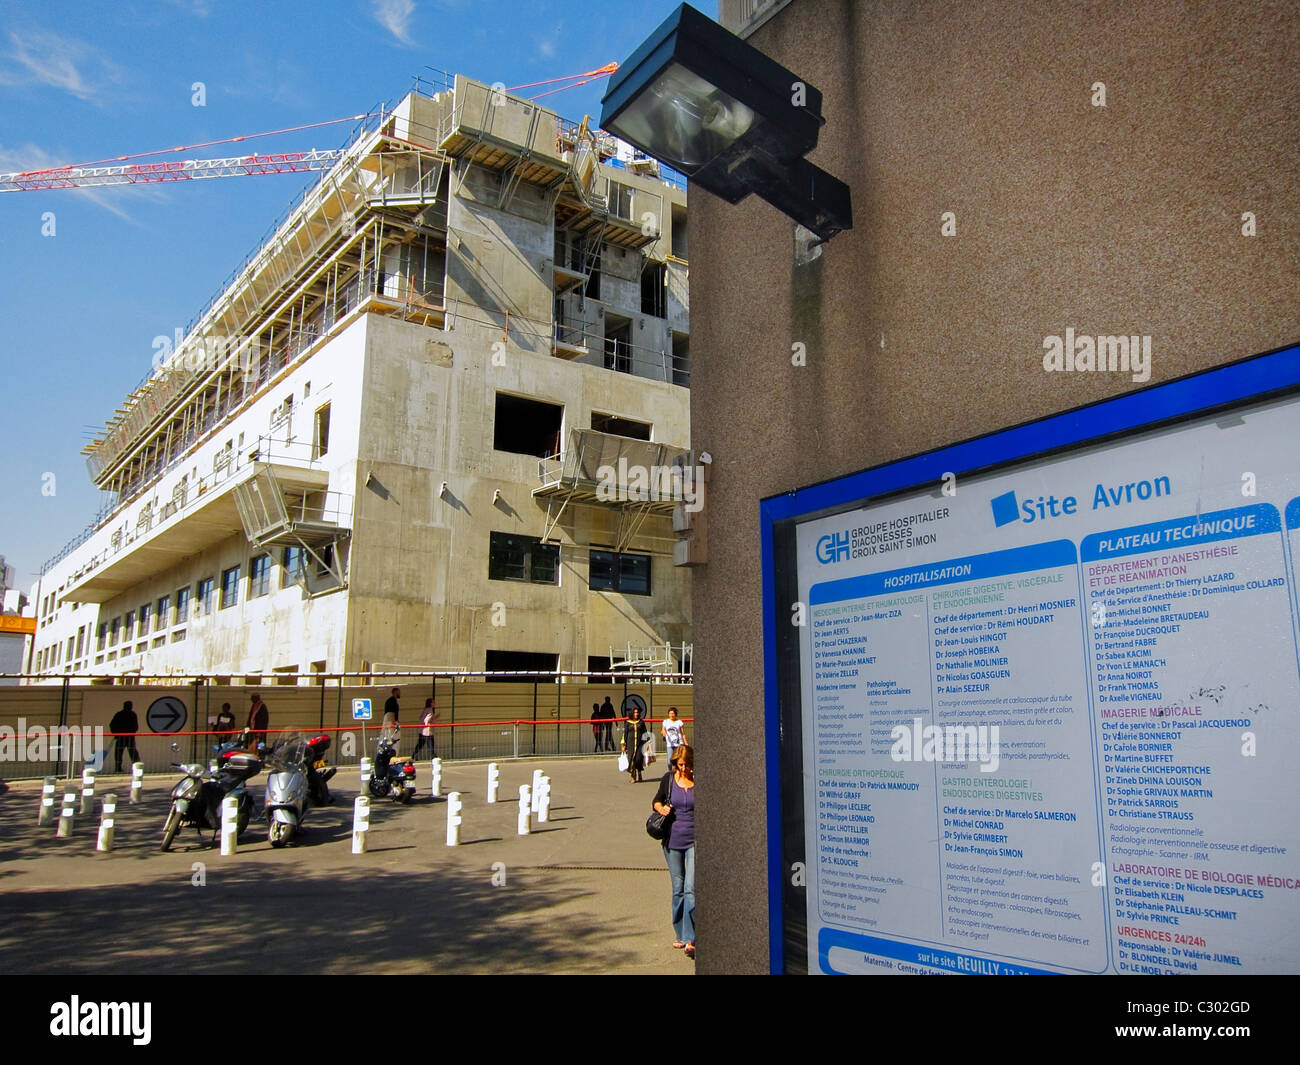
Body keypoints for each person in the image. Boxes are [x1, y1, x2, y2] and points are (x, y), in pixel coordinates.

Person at [652, 744, 696, 958]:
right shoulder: (668, 779)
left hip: (695, 841)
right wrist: (660, 808)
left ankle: (690, 938)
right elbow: (657, 801)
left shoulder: (699, 780)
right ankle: (679, 933)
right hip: (672, 840)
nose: (684, 768)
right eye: (680, 765)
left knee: (691, 888)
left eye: (687, 765)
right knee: (678, 888)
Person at [109, 700, 140, 773]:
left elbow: (112, 725)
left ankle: (119, 768)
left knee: (123, 753)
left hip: (124, 737)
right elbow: (112, 725)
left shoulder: (122, 714)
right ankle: (135, 767)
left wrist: (116, 734)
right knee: (127, 753)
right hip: (126, 737)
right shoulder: (129, 714)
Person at [621, 706, 648, 783]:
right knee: (631, 760)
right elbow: (625, 734)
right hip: (630, 744)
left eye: (637, 712)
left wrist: (647, 744)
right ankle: (633, 776)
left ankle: (639, 772)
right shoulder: (628, 723)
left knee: (638, 759)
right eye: (635, 712)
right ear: (632, 713)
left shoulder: (641, 722)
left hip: (640, 744)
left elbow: (645, 733)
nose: (636, 714)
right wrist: (623, 744)